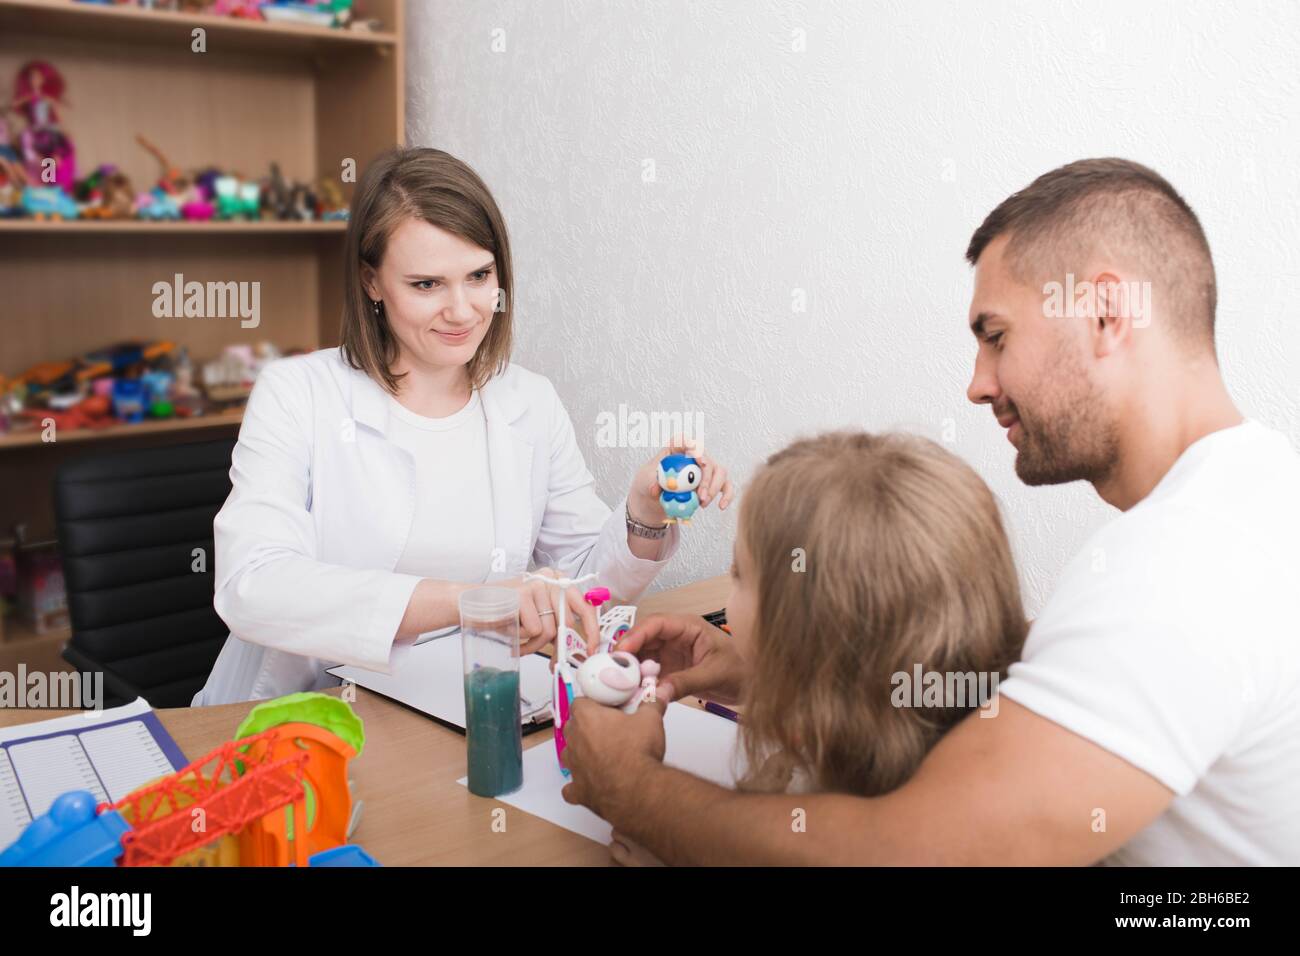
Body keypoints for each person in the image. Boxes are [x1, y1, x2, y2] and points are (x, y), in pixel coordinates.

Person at [560, 158, 1300, 865]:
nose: (976, 385)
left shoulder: (1185, 567)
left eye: (996, 336)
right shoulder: (1250, 495)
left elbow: (909, 853)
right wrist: (776, 673)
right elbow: (1011, 691)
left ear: (1106, 312)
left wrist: (631, 788)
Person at [193, 147, 732, 706]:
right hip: (298, 709)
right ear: (371, 282)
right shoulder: (297, 393)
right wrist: (475, 600)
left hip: (450, 707)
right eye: (427, 284)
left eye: (479, 276)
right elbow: (253, 585)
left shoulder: (528, 401)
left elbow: (578, 589)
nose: (463, 310)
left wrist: (643, 516)